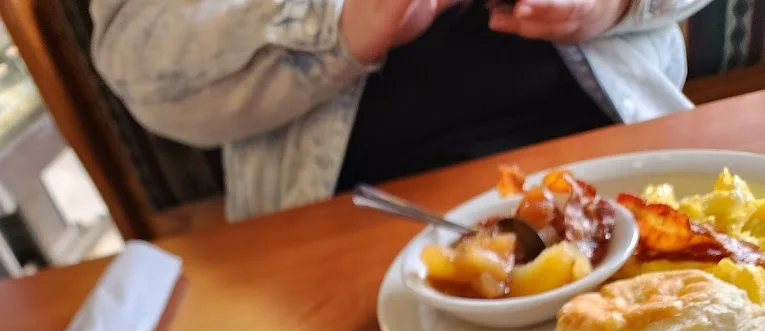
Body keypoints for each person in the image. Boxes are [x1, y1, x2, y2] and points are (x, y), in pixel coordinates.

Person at [90, 0, 711, 220]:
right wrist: (338, 26)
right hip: (347, 217)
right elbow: (136, 60)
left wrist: (614, 5)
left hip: (623, 157)